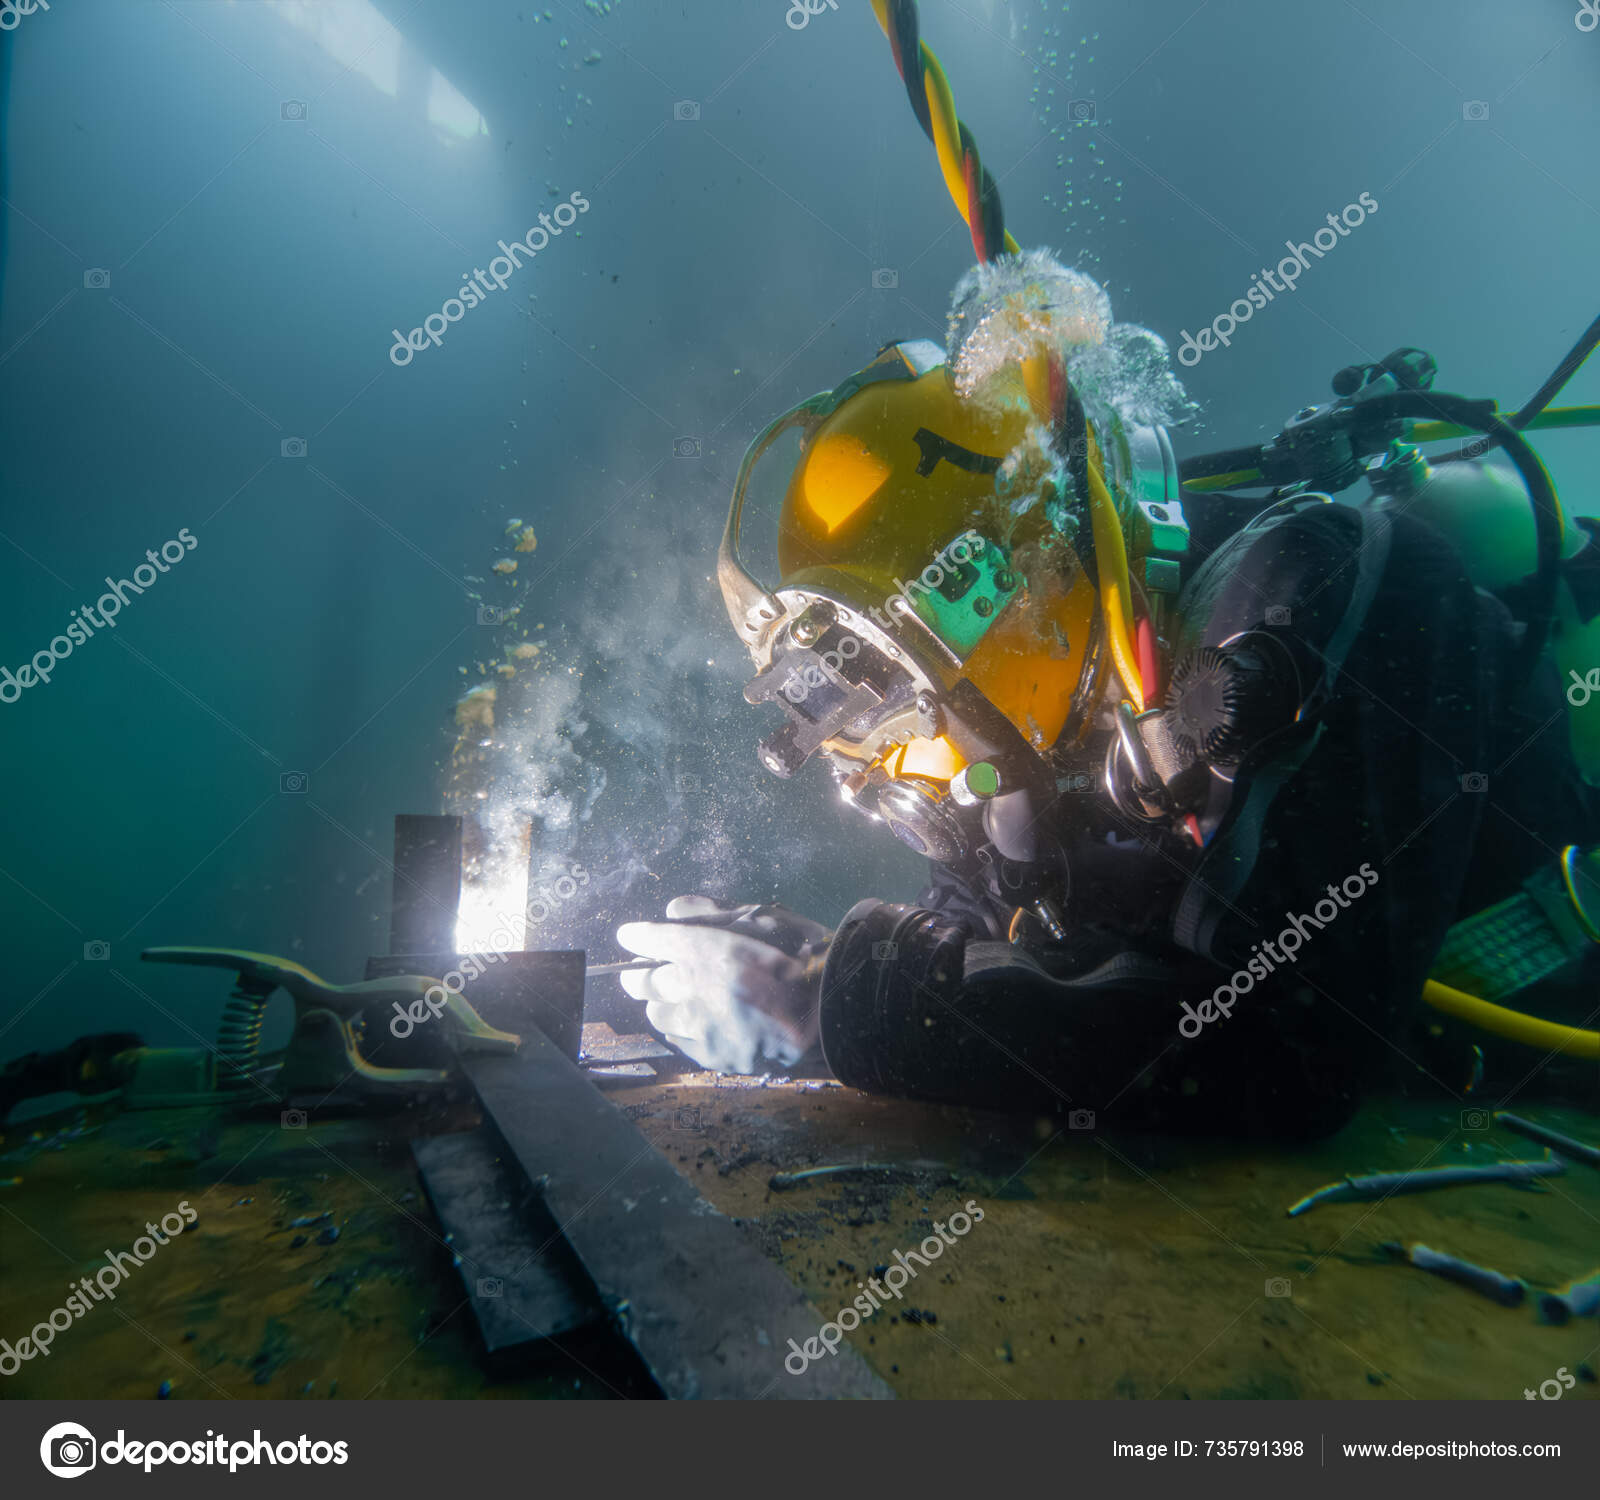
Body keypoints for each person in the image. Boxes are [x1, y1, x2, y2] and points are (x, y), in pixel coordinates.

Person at [617, 252, 1600, 1139]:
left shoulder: (1325, 604)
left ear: (1020, 593)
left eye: (903, 693)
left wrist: (838, 1007)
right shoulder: (1032, 710)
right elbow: (1001, 921)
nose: (904, 761)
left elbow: (1289, 1050)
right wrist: (823, 965)